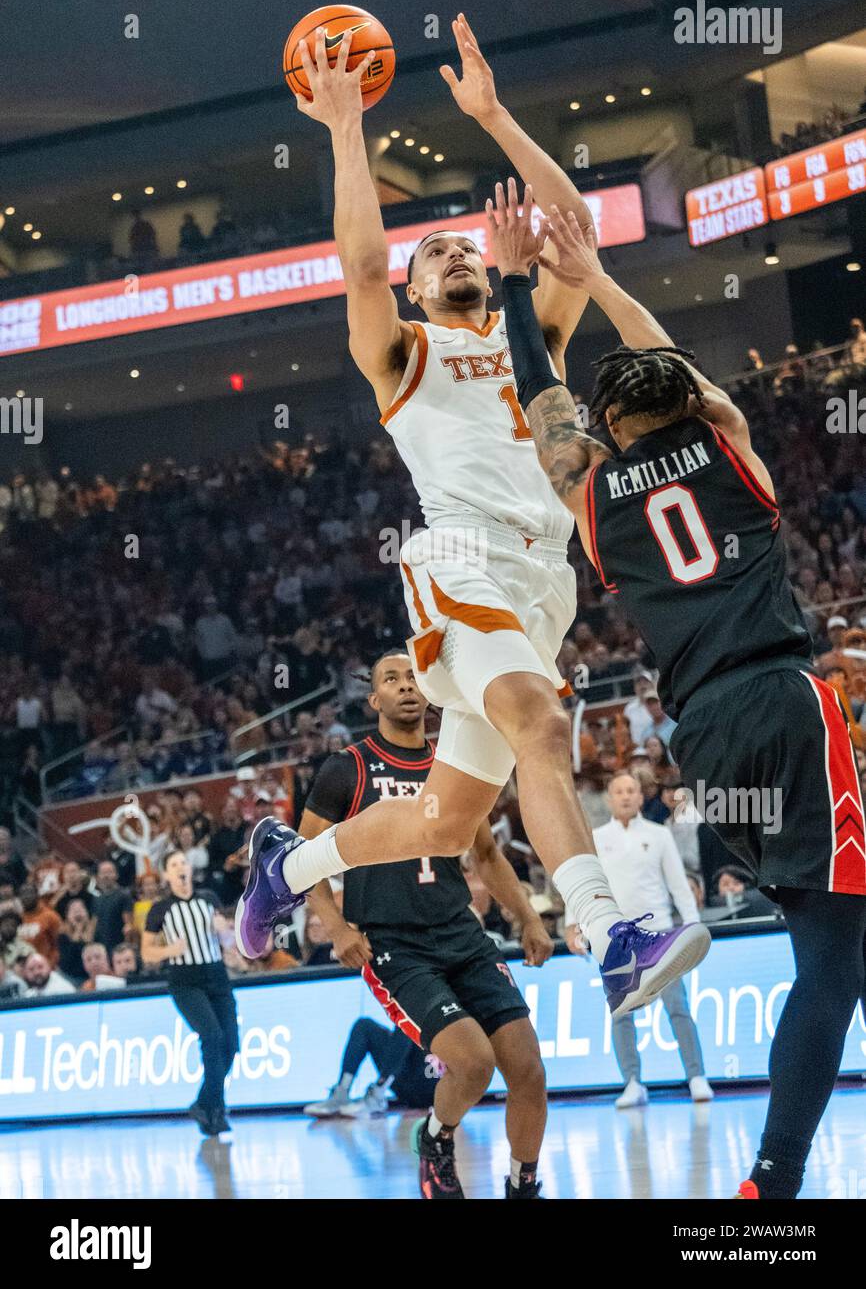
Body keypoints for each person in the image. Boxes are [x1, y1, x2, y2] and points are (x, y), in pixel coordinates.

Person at [236, 18, 709, 1021]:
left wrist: (493, 117)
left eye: (463, 243)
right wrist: (345, 129)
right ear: (415, 291)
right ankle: (609, 935)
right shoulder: (404, 355)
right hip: (456, 557)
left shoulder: (524, 331)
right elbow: (361, 269)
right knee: (539, 721)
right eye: (433, 251)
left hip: (544, 581)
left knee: (445, 821)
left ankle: (286, 866)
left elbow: (572, 227)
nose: (452, 250)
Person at [483, 188, 866, 1201]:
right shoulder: (733, 448)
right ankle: (769, 1186)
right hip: (783, 697)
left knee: (823, 936)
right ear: (695, 401)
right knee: (830, 960)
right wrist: (592, 275)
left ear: (606, 428)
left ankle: (771, 1176)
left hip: (701, 736)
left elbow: (538, 400)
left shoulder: (591, 494)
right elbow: (687, 381)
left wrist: (518, 287)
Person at [297, 649, 555, 1199]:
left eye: (414, 676)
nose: (406, 686)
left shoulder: (453, 766)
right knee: (472, 1062)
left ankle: (522, 1186)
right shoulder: (348, 767)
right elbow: (300, 859)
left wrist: (527, 915)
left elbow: (485, 854)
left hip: (461, 932)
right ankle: (437, 1140)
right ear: (375, 699)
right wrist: (339, 928)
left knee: (529, 1069)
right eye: (391, 679)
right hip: (394, 943)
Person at [568, 772, 713, 1109]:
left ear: (639, 796)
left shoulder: (659, 835)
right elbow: (584, 883)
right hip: (615, 939)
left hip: (659, 935)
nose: (626, 796)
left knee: (678, 1008)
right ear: (608, 798)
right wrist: (574, 924)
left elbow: (678, 883)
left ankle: (696, 1076)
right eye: (619, 791)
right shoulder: (596, 837)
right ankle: (632, 1082)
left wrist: (692, 923)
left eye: (631, 790)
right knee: (621, 1014)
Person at [142, 849, 238, 1137]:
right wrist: (170, 950)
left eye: (183, 862)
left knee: (231, 1045)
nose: (181, 867)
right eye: (174, 864)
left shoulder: (209, 899)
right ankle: (216, 1110)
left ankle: (203, 1102)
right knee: (212, 1037)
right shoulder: (160, 908)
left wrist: (224, 930)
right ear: (167, 875)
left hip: (217, 975)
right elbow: (146, 951)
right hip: (185, 980)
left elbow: (229, 941)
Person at [304, 1017, 444, 1119]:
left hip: (434, 1081)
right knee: (364, 1025)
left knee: (407, 1022)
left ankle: (378, 1093)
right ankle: (341, 1093)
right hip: (405, 1080)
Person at [17, 880, 62, 968]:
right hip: (24, 969)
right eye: (23, 894)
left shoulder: (50, 916)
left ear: (37, 895)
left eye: (29, 893)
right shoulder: (17, 919)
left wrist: (50, 965)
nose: (26, 897)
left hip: (47, 967)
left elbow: (59, 945)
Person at [92, 860, 134, 953]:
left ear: (116, 875)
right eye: (103, 873)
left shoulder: (124, 895)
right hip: (102, 946)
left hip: (119, 946)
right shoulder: (97, 899)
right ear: (98, 876)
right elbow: (94, 923)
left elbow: (128, 924)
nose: (106, 876)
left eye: (109, 872)